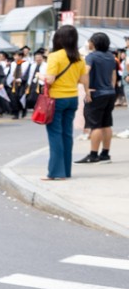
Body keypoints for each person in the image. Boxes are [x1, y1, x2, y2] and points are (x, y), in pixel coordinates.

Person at [42, 25, 90, 180]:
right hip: (72, 98)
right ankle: (66, 171)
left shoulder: (55, 56)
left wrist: (39, 76)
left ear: (59, 39)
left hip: (56, 99)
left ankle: (56, 172)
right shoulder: (79, 58)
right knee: (66, 134)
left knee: (55, 135)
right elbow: (83, 80)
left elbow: (50, 79)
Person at [76, 31, 116, 164]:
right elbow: (113, 76)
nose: (89, 43)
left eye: (90, 40)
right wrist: (111, 89)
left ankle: (93, 155)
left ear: (94, 43)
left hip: (97, 94)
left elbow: (86, 72)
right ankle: (105, 154)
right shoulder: (110, 56)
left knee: (95, 125)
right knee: (106, 124)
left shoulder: (91, 57)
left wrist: (87, 91)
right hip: (109, 93)